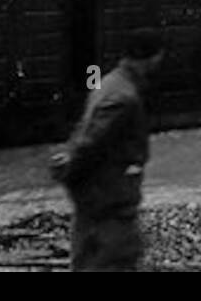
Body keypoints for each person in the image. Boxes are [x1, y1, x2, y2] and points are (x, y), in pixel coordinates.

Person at [50, 28, 166, 271]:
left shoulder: (109, 83)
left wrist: (68, 168)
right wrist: (72, 170)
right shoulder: (124, 97)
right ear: (151, 58)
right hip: (109, 200)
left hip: (98, 198)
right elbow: (91, 141)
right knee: (113, 259)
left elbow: (84, 134)